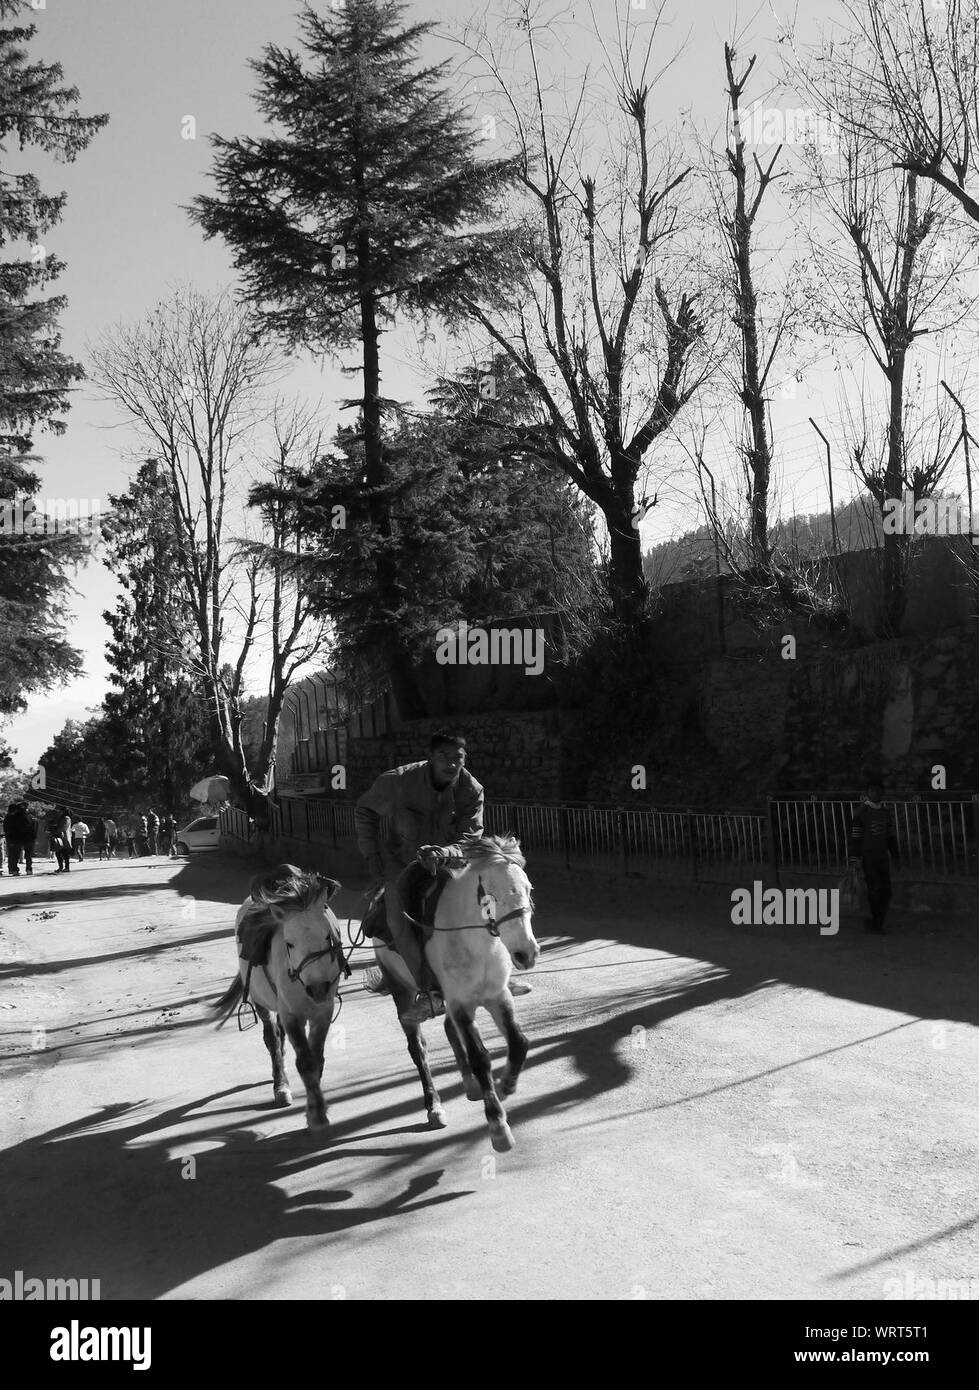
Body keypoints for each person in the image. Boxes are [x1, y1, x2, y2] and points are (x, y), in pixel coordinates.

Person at [847, 779, 899, 934]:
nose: (875, 793)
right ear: (867, 793)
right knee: (875, 889)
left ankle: (876, 921)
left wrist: (896, 856)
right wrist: (854, 858)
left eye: (878, 790)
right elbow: (855, 837)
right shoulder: (861, 813)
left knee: (886, 891)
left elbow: (890, 837)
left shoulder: (885, 813)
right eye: (872, 790)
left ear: (883, 793)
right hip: (868, 858)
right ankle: (875, 923)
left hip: (882, 858)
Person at [50, 806, 73, 874]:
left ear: (63, 811)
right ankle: (61, 867)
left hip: (64, 837)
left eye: (60, 811)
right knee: (58, 853)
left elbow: (64, 827)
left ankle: (66, 867)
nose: (59, 812)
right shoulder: (61, 818)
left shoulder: (67, 818)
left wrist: (55, 831)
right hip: (59, 836)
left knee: (65, 853)